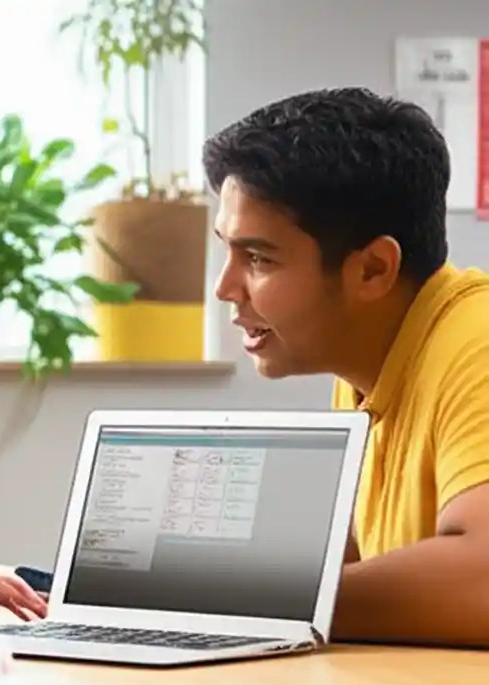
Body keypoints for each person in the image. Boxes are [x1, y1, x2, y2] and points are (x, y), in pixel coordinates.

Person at [206, 86, 489, 646]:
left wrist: (233, 601)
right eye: (228, 251)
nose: (224, 288)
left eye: (259, 258)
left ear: (372, 270)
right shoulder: (365, 362)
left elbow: (481, 579)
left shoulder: (476, 341)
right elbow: (357, 564)